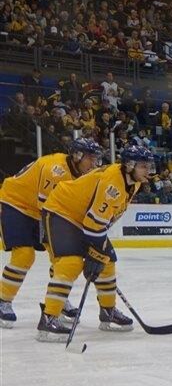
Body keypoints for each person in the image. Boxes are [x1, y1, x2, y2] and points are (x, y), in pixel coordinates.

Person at [36, 143, 155, 342]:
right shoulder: (113, 183)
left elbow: (104, 218)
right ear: (129, 165)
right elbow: (93, 224)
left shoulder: (133, 182)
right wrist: (96, 252)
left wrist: (99, 254)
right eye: (144, 166)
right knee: (71, 263)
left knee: (107, 261)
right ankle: (49, 318)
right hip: (61, 212)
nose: (148, 170)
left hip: (83, 217)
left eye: (149, 166)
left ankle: (108, 311)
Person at [0, 138, 102, 329]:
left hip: (41, 209)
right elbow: (48, 210)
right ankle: (3, 300)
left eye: (96, 159)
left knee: (63, 258)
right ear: (77, 156)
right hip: (16, 203)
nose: (94, 163)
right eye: (90, 158)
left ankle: (58, 299)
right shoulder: (55, 170)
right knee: (24, 255)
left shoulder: (82, 174)